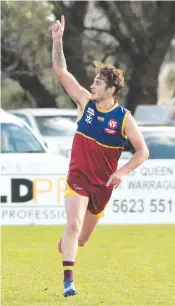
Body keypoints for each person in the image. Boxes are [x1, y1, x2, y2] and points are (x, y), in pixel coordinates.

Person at [52, 15, 149, 298]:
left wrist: (121, 172)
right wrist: (57, 39)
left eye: (97, 82)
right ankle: (68, 281)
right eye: (93, 81)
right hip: (78, 178)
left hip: (102, 186)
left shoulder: (123, 118)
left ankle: (69, 242)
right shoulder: (85, 103)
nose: (92, 85)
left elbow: (143, 151)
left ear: (111, 89)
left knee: (80, 238)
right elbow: (61, 72)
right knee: (74, 224)